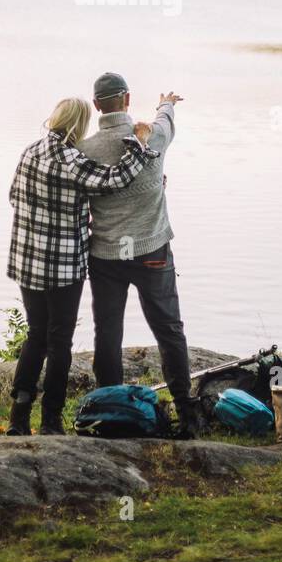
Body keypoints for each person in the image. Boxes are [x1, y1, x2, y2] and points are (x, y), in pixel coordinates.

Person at [5, 95, 156, 436]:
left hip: (28, 261)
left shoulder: (30, 151)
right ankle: (50, 421)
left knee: (35, 336)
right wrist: (140, 145)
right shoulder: (74, 160)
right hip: (63, 266)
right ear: (80, 124)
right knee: (59, 342)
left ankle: (18, 418)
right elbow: (116, 179)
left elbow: (14, 195)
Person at [80, 72, 198, 437]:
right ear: (127, 100)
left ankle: (109, 411)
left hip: (106, 256)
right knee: (168, 330)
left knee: (108, 332)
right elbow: (165, 120)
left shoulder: (84, 150)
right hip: (152, 251)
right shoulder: (154, 137)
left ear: (97, 105)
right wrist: (166, 102)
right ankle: (187, 416)